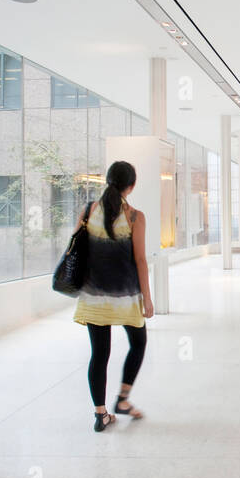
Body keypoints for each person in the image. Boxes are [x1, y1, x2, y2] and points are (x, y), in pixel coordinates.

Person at [75, 160, 155, 432]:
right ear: (131, 187)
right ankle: (122, 399)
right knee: (139, 343)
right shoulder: (135, 217)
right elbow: (141, 260)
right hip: (126, 297)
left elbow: (76, 246)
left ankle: (100, 414)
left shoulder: (88, 211)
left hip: (93, 297)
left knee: (99, 354)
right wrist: (148, 298)